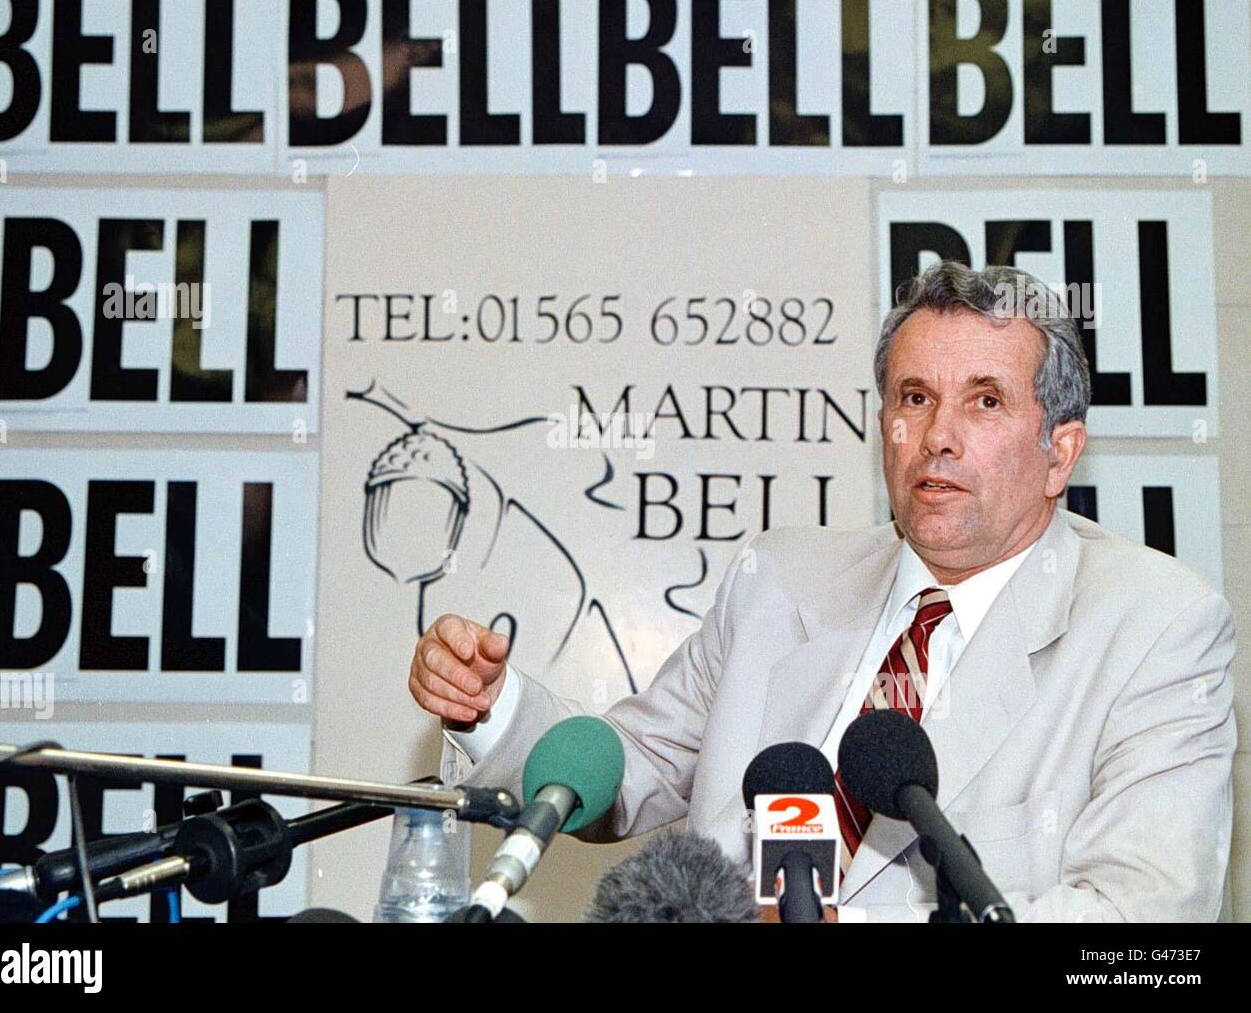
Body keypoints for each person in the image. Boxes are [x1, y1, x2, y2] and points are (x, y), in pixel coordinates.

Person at [407, 261, 1237, 922]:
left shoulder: (1157, 626)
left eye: (985, 402)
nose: (939, 438)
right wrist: (492, 707)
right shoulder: (779, 578)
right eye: (916, 399)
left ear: (1061, 453)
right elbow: (627, 772)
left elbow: (1145, 917)